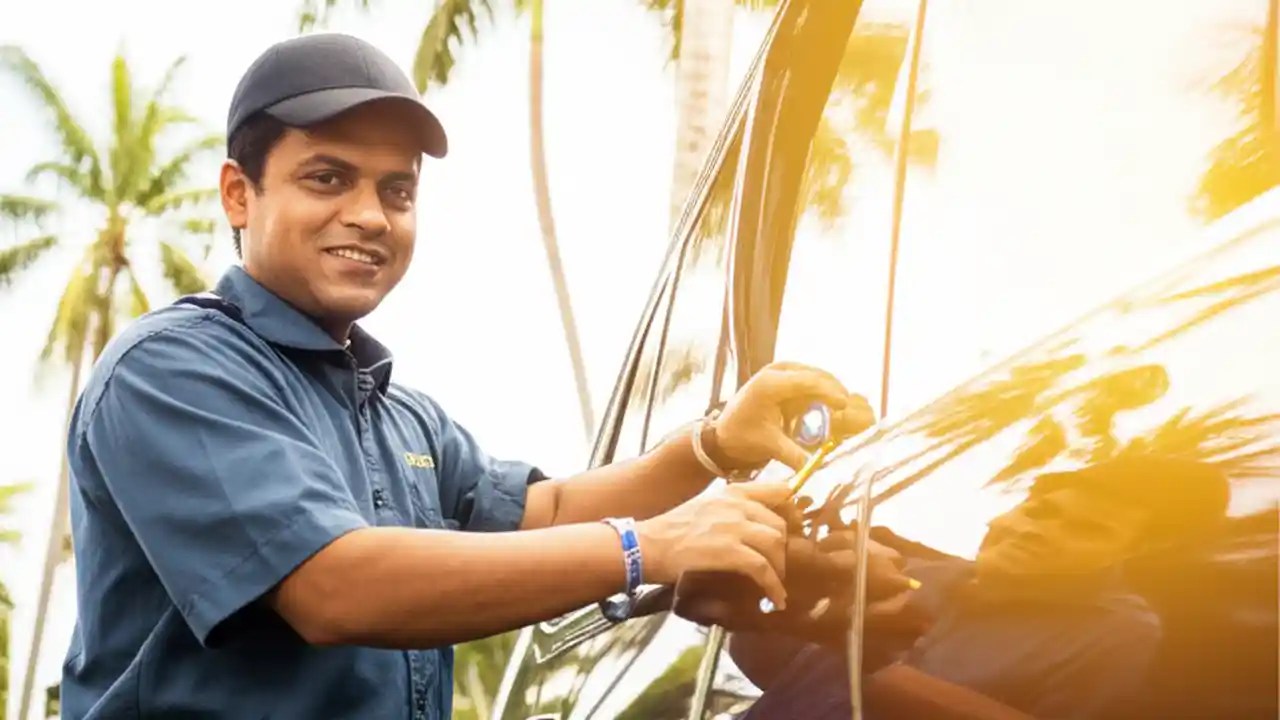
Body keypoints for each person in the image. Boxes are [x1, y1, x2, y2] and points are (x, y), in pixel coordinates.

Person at [59, 33, 875, 720]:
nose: (372, 215)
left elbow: (547, 509)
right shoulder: (172, 370)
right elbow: (333, 587)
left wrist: (713, 444)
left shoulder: (403, 418)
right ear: (239, 194)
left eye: (397, 190)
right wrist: (648, 548)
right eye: (328, 178)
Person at [727, 454, 1230, 720]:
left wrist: (868, 663)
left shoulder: (1119, 630)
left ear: (1132, 554)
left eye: (1085, 529)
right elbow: (768, 662)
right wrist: (765, 592)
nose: (1036, 529)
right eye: (1038, 511)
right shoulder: (918, 575)